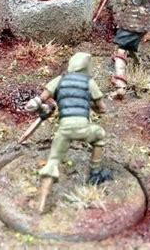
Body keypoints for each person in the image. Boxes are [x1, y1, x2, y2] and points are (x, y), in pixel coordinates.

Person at [25, 51, 111, 213]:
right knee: (99, 135)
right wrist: (88, 103)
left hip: (64, 129)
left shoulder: (59, 80)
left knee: (53, 161)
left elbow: (40, 99)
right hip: (83, 128)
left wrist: (38, 105)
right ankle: (95, 174)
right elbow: (102, 109)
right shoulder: (89, 82)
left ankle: (41, 204)